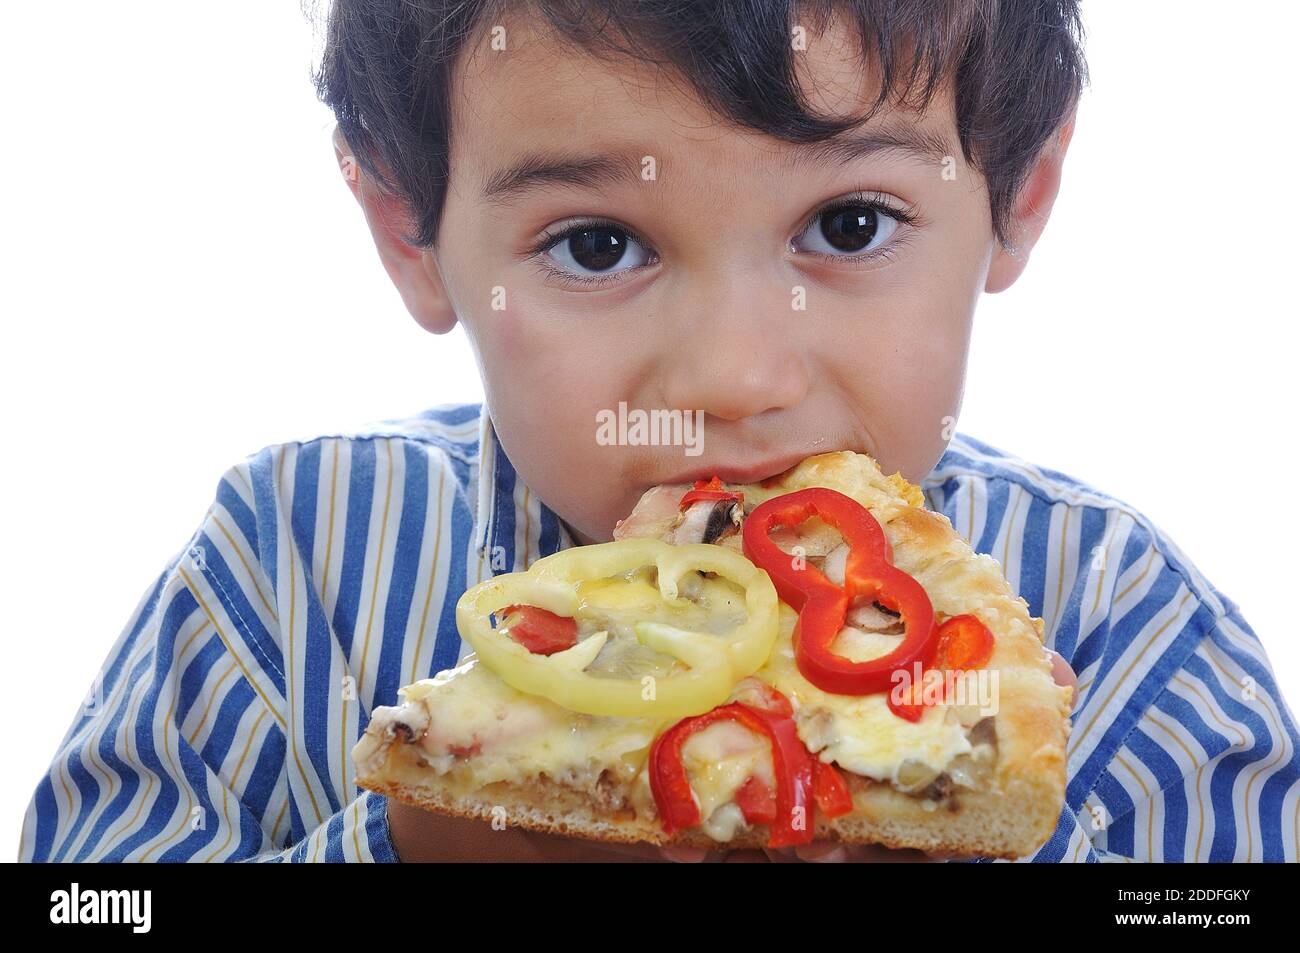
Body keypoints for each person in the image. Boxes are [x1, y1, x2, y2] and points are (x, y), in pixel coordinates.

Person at [19, 0, 1299, 862]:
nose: (736, 375)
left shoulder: (1125, 616)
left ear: (1018, 195)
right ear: (410, 231)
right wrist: (425, 844)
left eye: (848, 224)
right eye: (597, 244)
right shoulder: (289, 562)